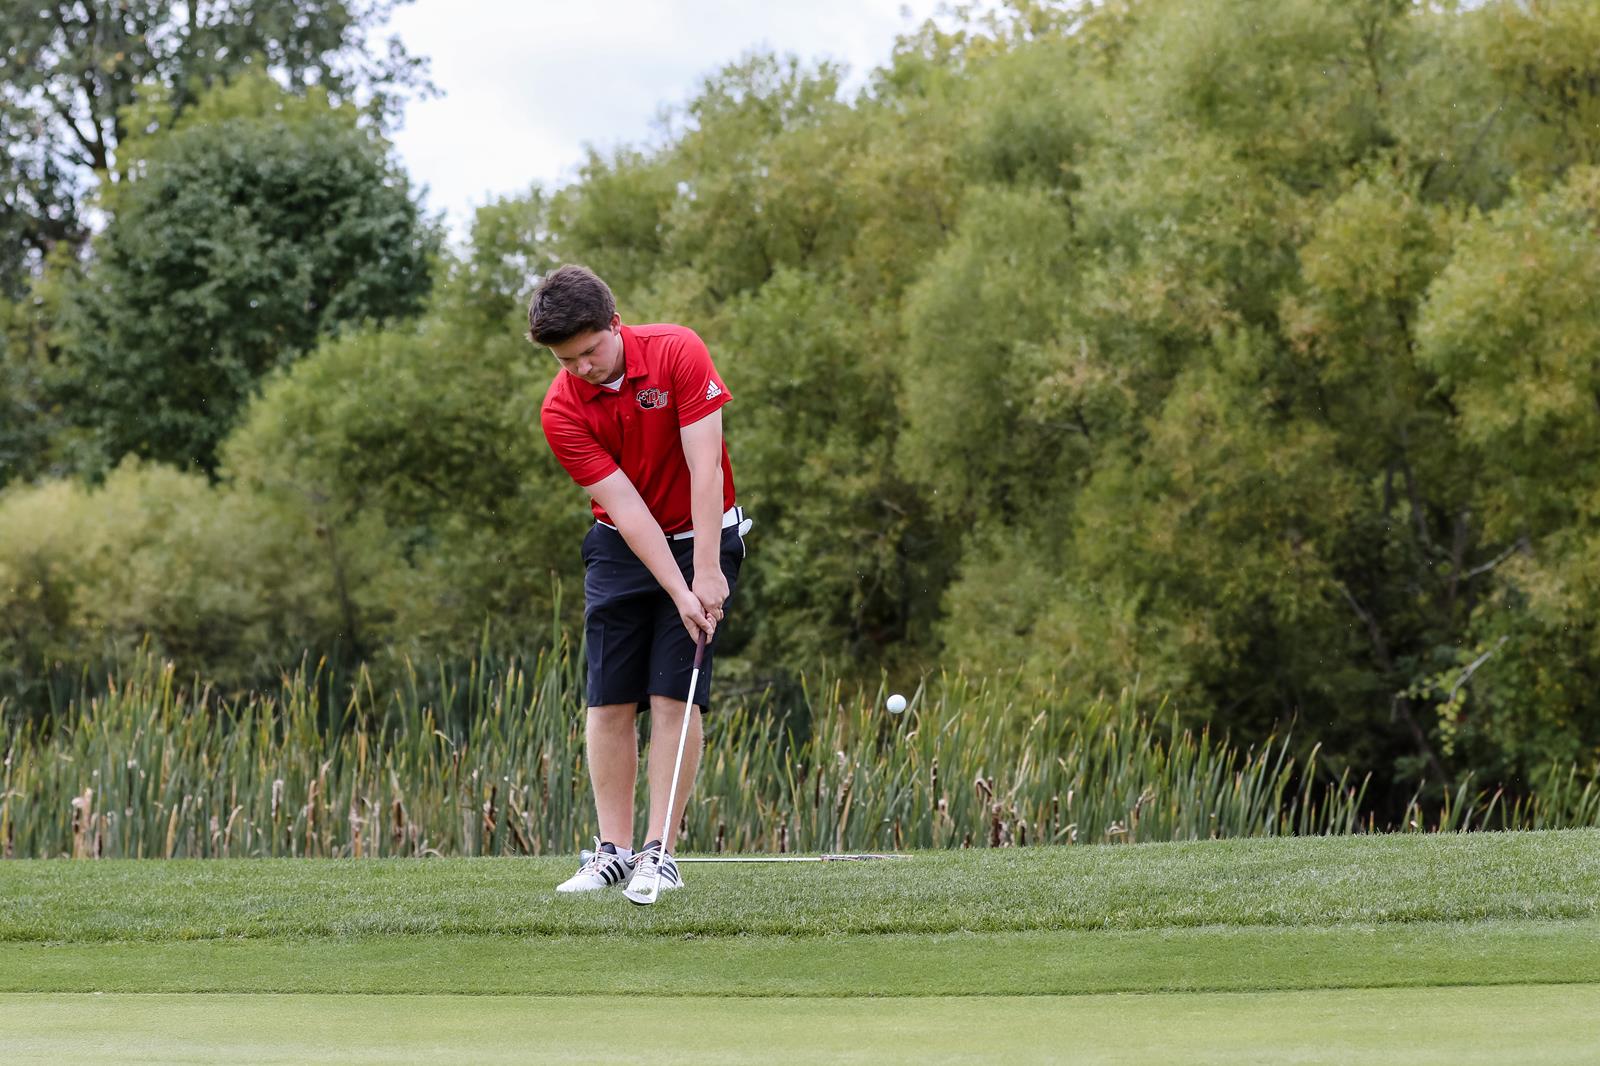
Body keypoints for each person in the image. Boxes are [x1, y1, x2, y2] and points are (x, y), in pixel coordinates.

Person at [529, 264, 748, 897]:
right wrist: (679, 593)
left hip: (702, 532)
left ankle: (660, 853)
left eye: (591, 351)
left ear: (615, 323)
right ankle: (613, 852)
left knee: (674, 696)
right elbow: (625, 509)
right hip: (622, 546)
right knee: (609, 701)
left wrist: (706, 572)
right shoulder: (561, 409)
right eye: (567, 360)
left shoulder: (678, 351)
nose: (583, 368)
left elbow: (705, 467)